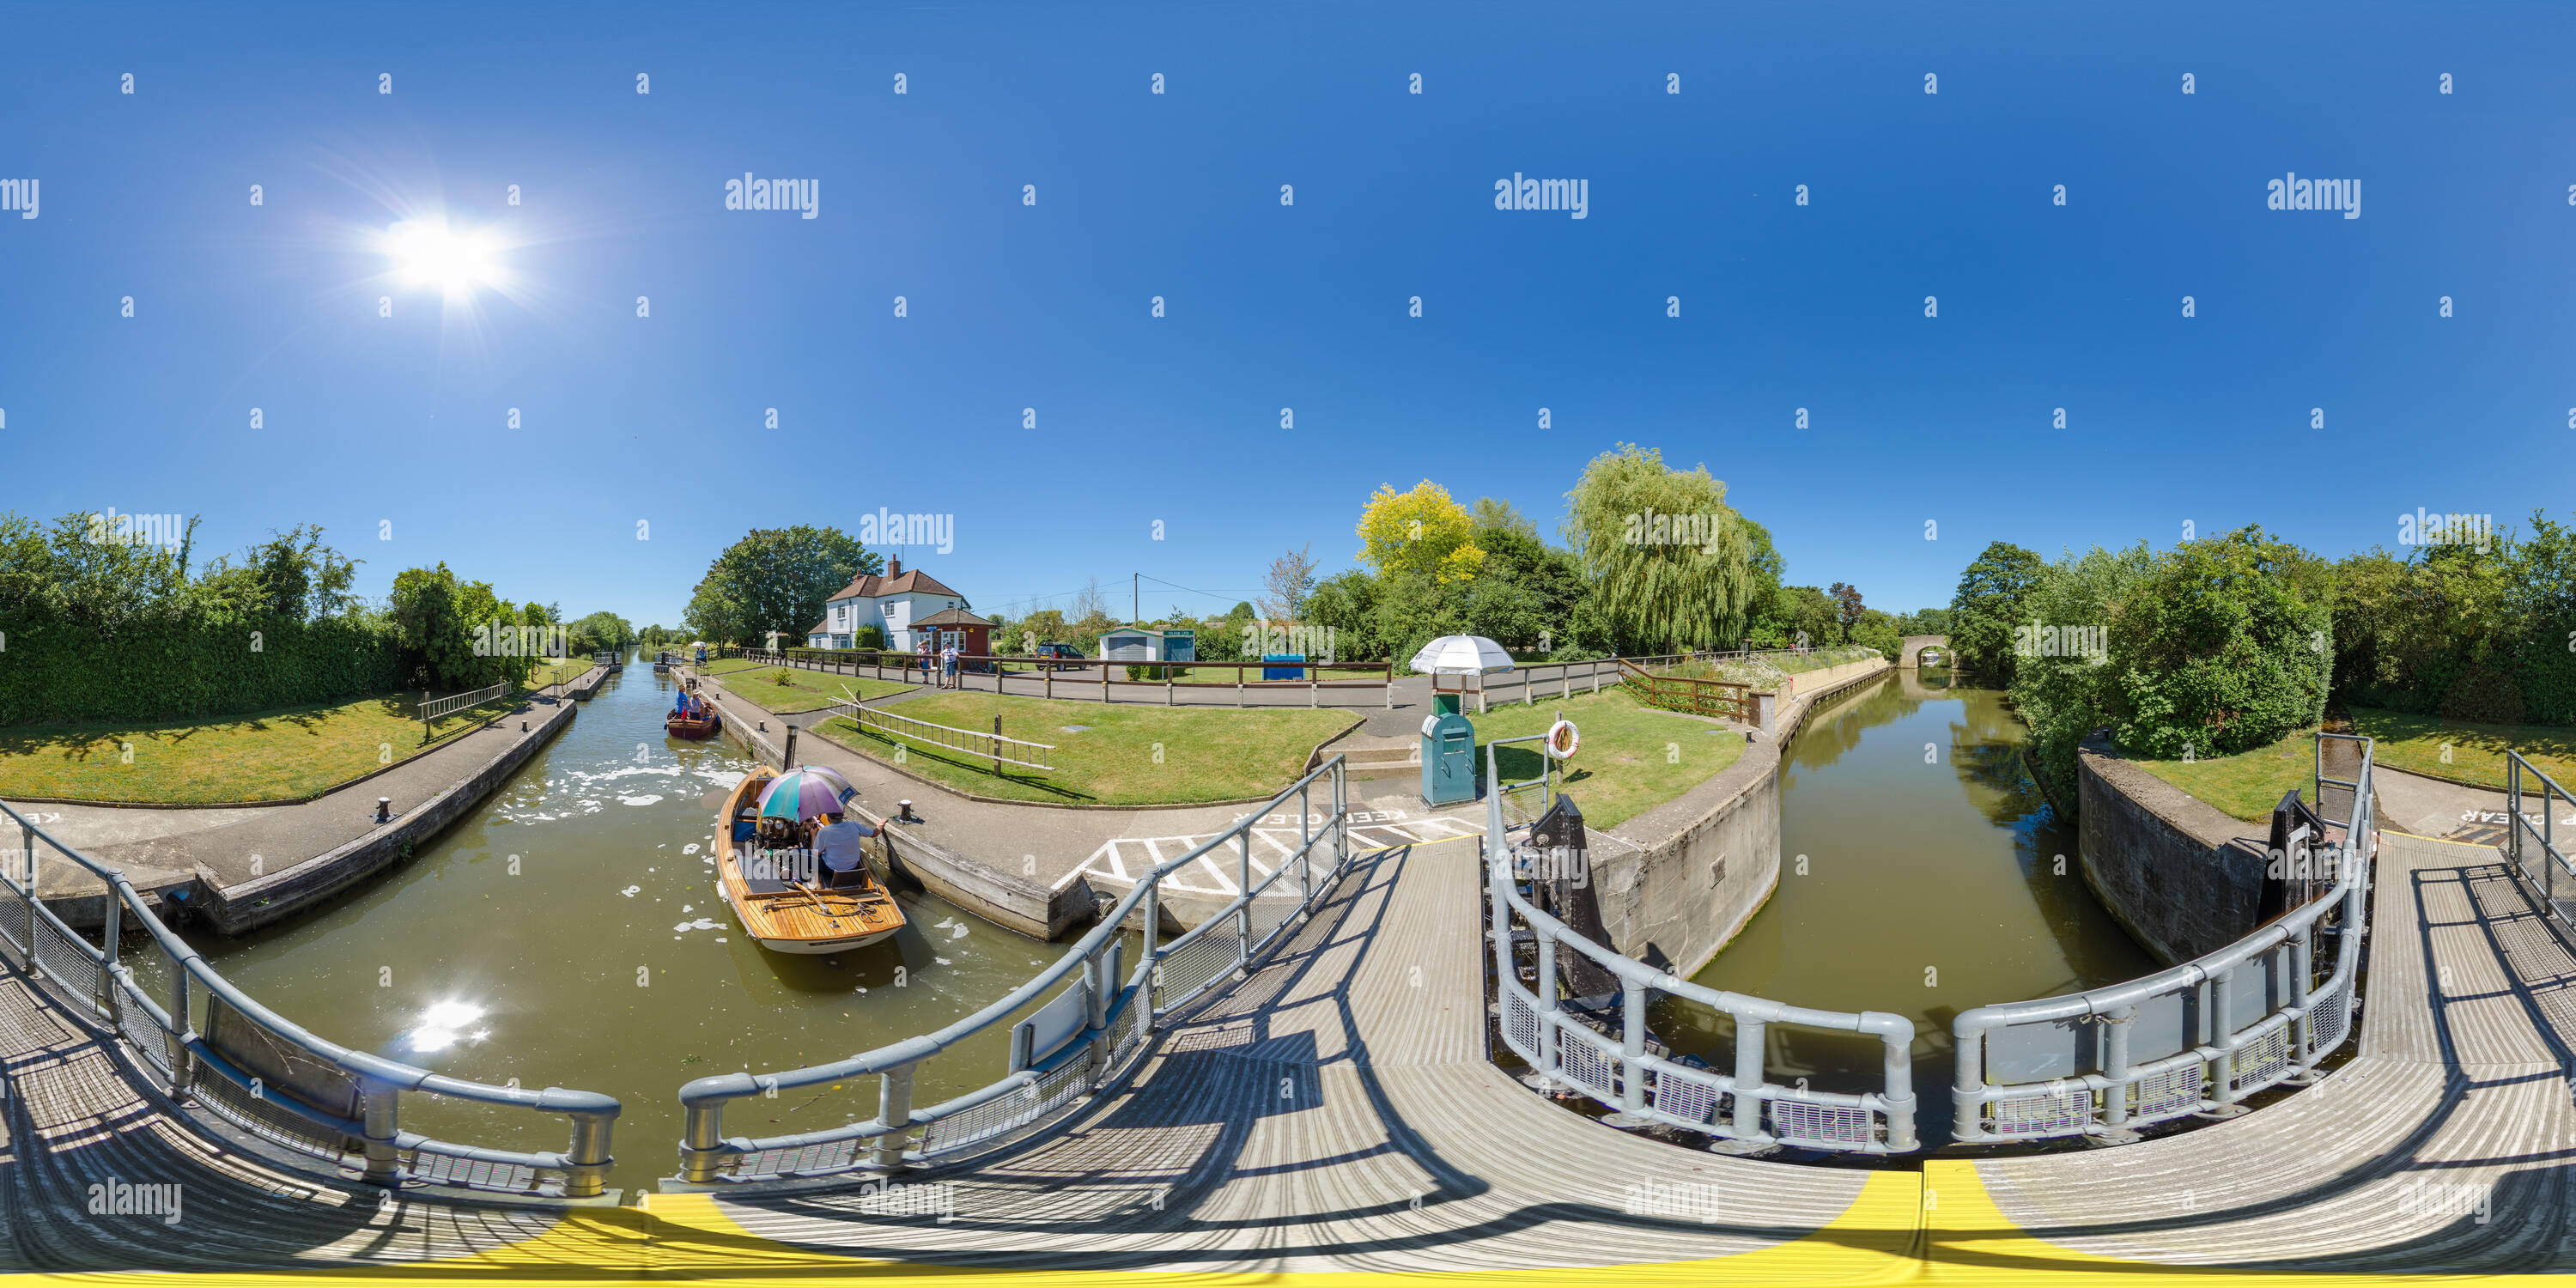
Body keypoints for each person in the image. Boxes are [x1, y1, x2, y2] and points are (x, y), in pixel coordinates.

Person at [811, 811, 878, 887]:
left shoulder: (824, 832)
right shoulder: (854, 825)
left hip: (831, 870)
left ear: (828, 818)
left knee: (798, 853)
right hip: (853, 868)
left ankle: (800, 883)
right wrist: (881, 825)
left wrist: (813, 834)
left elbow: (815, 854)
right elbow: (874, 833)